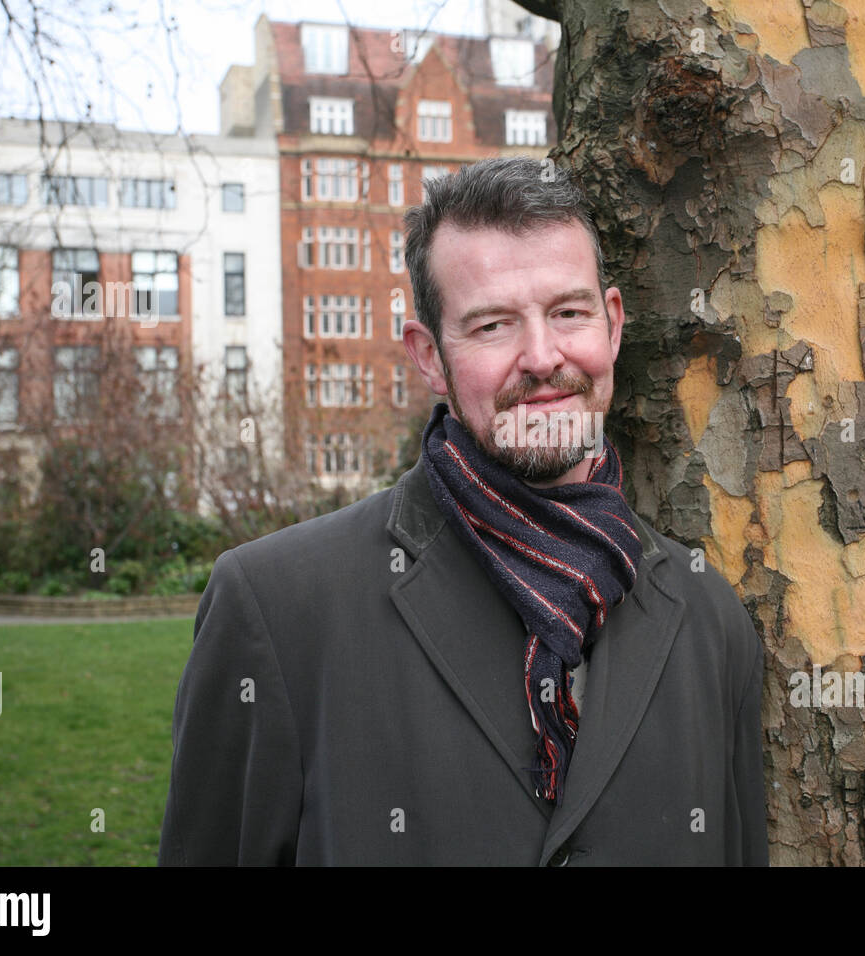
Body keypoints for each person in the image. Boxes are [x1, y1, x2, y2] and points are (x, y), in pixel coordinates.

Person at [157, 157, 769, 866]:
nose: (543, 357)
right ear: (428, 357)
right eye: (492, 327)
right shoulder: (277, 611)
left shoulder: (708, 619)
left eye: (568, 314)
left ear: (612, 325)